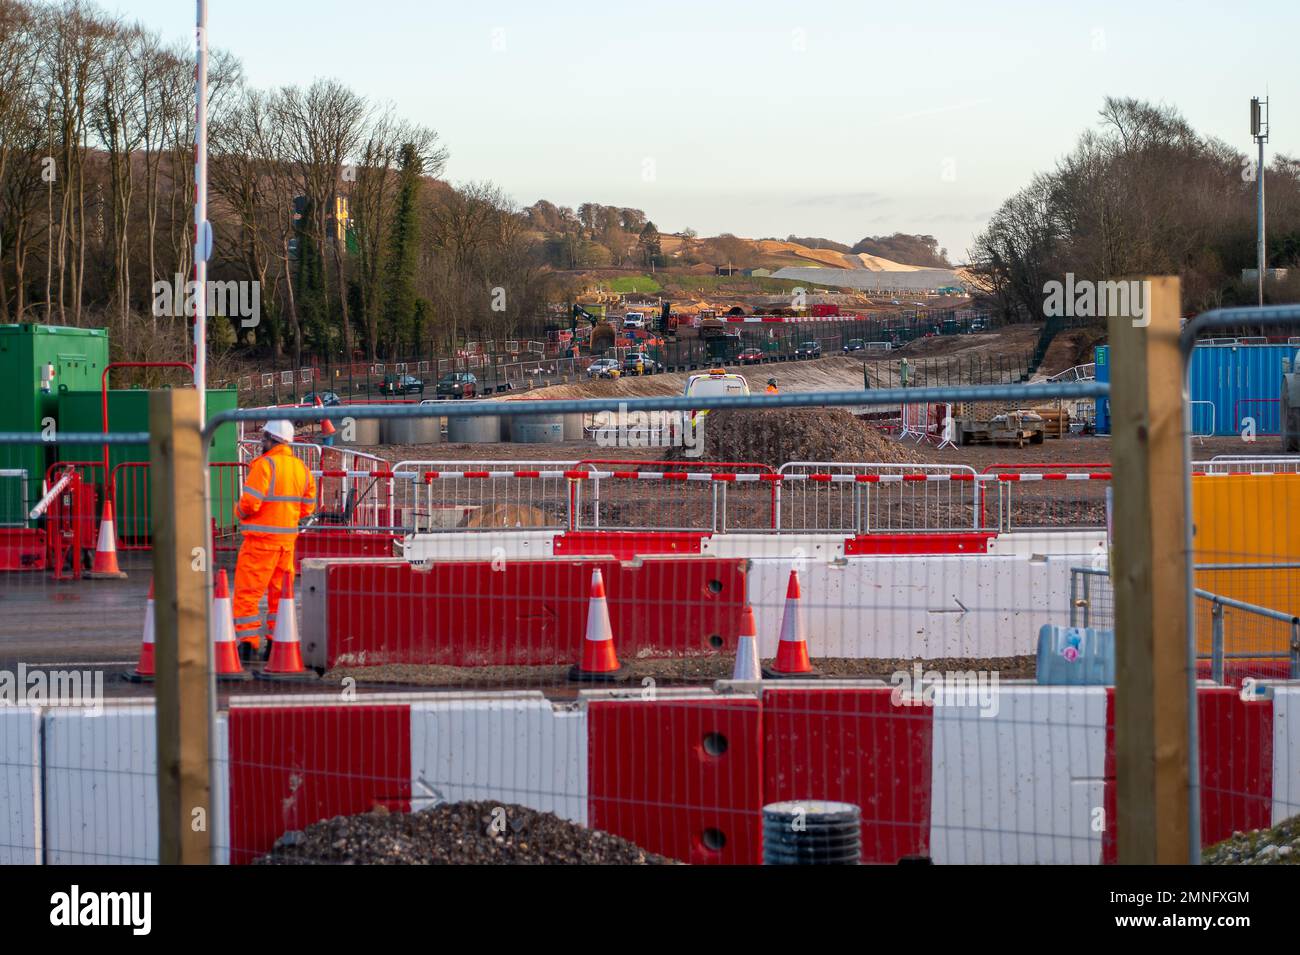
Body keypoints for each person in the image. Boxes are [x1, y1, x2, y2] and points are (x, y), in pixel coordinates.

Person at [232, 420, 317, 660]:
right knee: (279, 595)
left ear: (272, 439)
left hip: (261, 542)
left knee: (247, 593)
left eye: (263, 438)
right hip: (286, 544)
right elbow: (308, 507)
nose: (261, 443)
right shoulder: (301, 468)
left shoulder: (265, 465)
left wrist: (238, 512)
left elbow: (250, 503)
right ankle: (274, 644)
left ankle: (248, 644)